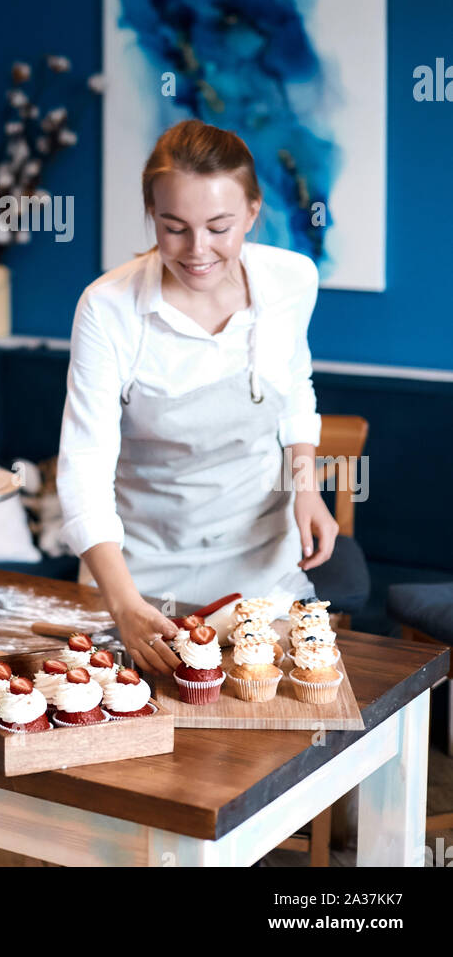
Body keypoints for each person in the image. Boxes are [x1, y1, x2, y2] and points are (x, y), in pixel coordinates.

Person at [56, 119, 338, 676]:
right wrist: (122, 603)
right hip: (138, 576)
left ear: (253, 212)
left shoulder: (292, 280)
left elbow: (295, 390)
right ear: (152, 217)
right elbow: (84, 464)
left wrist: (307, 488)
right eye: (174, 226)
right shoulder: (107, 308)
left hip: (261, 565)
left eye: (219, 226)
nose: (197, 250)